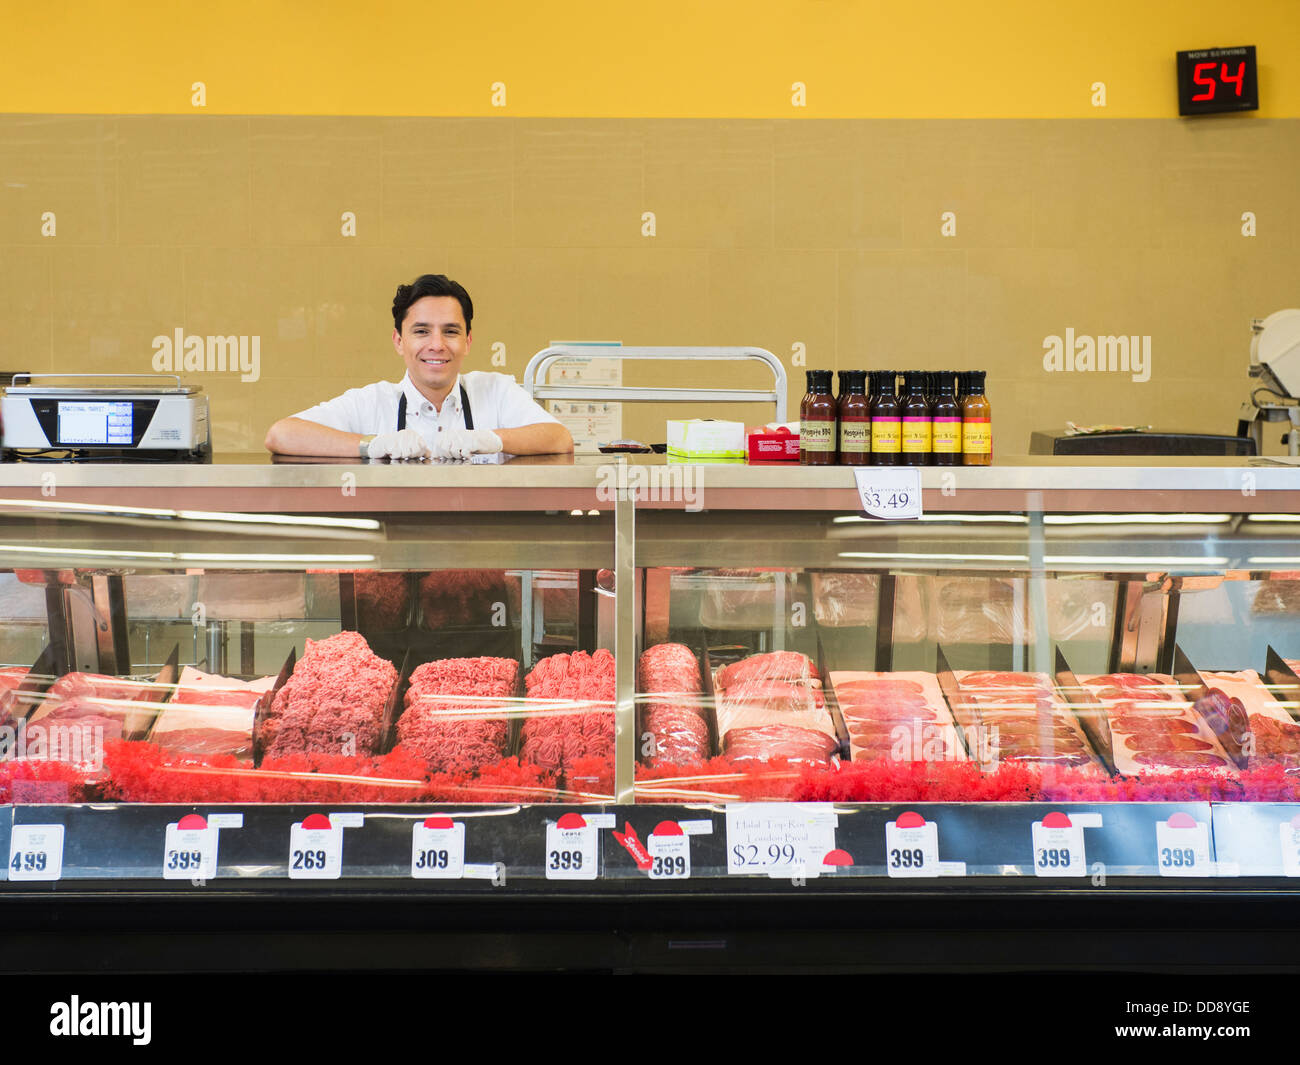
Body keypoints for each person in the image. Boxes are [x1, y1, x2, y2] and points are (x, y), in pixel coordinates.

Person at [264, 274, 573, 460]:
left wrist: (489, 439)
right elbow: (282, 435)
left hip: (479, 556)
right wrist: (372, 445)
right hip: (392, 557)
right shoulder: (372, 402)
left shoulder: (496, 390)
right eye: (422, 331)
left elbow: (559, 439)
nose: (436, 345)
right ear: (399, 341)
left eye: (450, 331)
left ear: (467, 342)